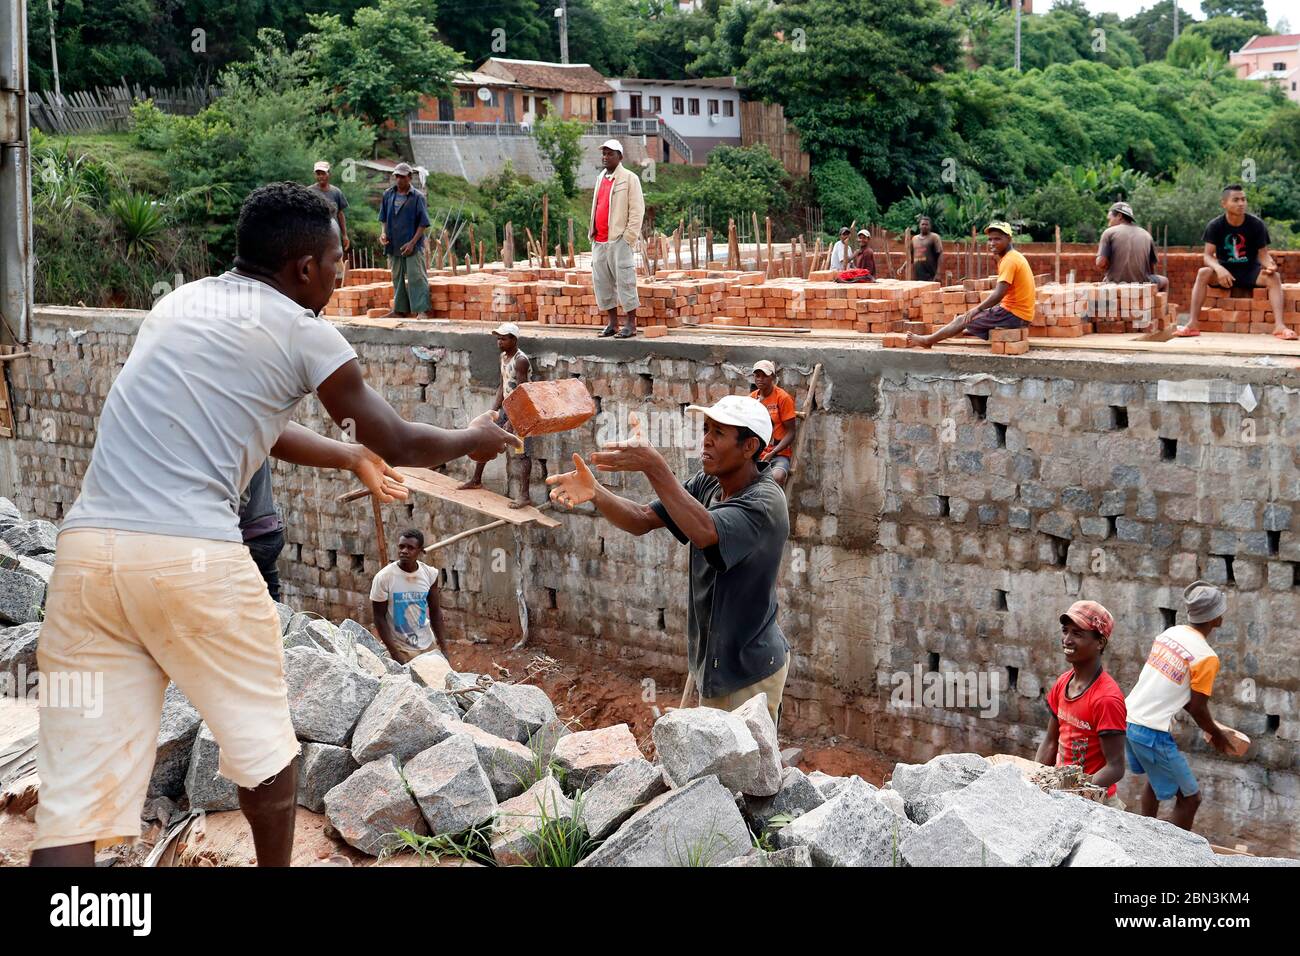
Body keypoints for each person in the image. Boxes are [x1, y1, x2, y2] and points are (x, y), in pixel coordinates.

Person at [30, 181, 514, 867]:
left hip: (86, 559)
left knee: (71, 806)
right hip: (192, 558)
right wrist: (470, 438)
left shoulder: (180, 302)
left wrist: (346, 453)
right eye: (338, 258)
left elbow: (251, 417)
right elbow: (399, 439)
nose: (344, 271)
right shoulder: (305, 330)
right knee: (265, 752)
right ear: (304, 268)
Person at [546, 397, 790, 726]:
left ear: (749, 446)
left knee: (740, 772)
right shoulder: (710, 484)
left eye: (718, 432)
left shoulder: (764, 502)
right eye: (706, 429)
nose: (706, 439)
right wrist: (597, 492)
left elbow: (705, 530)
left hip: (745, 669)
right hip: (716, 662)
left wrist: (654, 465)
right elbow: (642, 518)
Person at [1124, 581, 1237, 832]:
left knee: (1155, 780)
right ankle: (1170, 854)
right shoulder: (1206, 657)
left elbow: (1178, 694)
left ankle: (1143, 835)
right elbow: (1197, 707)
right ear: (1216, 618)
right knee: (1190, 799)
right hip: (1151, 731)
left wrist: (1212, 727)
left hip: (1129, 719)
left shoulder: (1170, 634)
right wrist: (1217, 735)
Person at [1035, 600, 1127, 807]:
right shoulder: (1063, 683)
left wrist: (1074, 795)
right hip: (1062, 792)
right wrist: (1036, 781)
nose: (1067, 640)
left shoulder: (1106, 699)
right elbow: (1051, 741)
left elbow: (1116, 767)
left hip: (1096, 802)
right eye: (1065, 631)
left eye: (1077, 634)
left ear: (1100, 643)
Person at [1179, 185, 1292, 339]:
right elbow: (1207, 256)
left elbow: (1264, 255)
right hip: (1225, 273)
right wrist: (1219, 269)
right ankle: (1192, 323)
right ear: (1224, 203)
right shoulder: (1215, 225)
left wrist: (1270, 265)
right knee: (1203, 273)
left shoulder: (1256, 224)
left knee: (1274, 277)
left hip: (1250, 271)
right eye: (1236, 200)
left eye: (1243, 199)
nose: (1241, 203)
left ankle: (1279, 326)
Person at [907, 222, 1035, 348]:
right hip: (1020, 314)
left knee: (964, 319)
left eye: (997, 239)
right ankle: (972, 326)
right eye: (990, 239)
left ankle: (927, 341)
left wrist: (977, 309)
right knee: (968, 319)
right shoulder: (1013, 256)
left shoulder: (1009, 260)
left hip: (1014, 315)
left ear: (1009, 239)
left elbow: (998, 294)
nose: (992, 243)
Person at [457, 322, 540, 508]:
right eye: (498, 338)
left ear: (514, 339)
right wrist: (493, 412)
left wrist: (511, 420)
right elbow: (503, 386)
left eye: (503, 338)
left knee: (521, 453)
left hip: (521, 412)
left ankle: (524, 496)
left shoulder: (521, 360)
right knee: (484, 440)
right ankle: (476, 479)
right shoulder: (503, 357)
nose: (499, 342)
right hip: (506, 409)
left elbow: (521, 393)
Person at [589, 139, 645, 339]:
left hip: (619, 240)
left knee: (625, 280)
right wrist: (593, 233)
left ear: (620, 157)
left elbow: (637, 210)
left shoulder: (629, 179)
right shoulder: (600, 178)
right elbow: (597, 206)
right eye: (603, 153)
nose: (605, 157)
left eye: (610, 154)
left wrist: (628, 237)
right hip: (600, 240)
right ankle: (612, 323)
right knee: (602, 282)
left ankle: (631, 324)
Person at [370, 529, 446, 664]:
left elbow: (435, 612)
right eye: (401, 546)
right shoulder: (384, 577)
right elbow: (379, 617)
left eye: (410, 548)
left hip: (427, 645)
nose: (404, 551)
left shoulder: (430, 574)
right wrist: (395, 654)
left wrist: (444, 648)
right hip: (401, 648)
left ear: (420, 551)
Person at [379, 162, 433, 320]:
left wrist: (412, 243)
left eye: (402, 176)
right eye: (397, 176)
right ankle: (399, 310)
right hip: (393, 244)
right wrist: (383, 234)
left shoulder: (417, 197)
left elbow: (423, 223)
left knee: (416, 276)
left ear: (410, 177)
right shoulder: (388, 194)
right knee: (397, 277)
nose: (399, 179)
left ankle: (422, 310)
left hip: (412, 245)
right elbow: (383, 218)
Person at [1095, 201, 1166, 291]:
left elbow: (1100, 263)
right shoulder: (1146, 235)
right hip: (1142, 284)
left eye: (1110, 219)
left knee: (1104, 282)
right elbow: (1151, 268)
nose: (1109, 223)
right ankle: (1160, 305)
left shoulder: (1109, 232)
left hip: (1115, 283)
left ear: (1119, 216)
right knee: (1165, 281)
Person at [749, 360, 797, 488]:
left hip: (779, 454)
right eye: (757, 376)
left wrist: (773, 452)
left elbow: (791, 432)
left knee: (777, 477)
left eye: (764, 376)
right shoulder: (752, 399)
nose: (760, 379)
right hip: (756, 453)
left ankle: (773, 507)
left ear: (773, 378)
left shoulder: (783, 398)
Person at [311, 161, 350, 255]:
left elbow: (340, 214)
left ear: (329, 174)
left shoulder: (336, 192)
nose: (320, 176)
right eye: (318, 174)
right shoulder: (309, 192)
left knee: (335, 260)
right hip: (316, 236)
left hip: (333, 235)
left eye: (323, 173)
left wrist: (344, 235)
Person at [911, 217, 942, 282]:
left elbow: (940, 254)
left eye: (926, 224)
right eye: (923, 224)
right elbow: (911, 256)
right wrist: (903, 267)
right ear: (919, 225)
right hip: (917, 275)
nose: (924, 226)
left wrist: (938, 273)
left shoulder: (934, 237)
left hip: (931, 275)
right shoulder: (914, 239)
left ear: (930, 226)